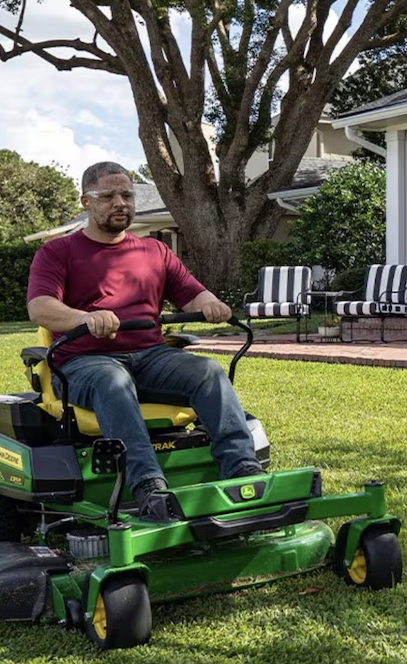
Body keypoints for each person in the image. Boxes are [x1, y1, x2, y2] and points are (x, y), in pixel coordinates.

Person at [26, 161, 264, 523]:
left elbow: (192, 293)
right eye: (108, 196)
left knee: (208, 372)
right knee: (113, 381)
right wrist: (85, 319)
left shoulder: (155, 252)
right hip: (84, 363)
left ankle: (243, 470)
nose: (120, 202)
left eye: (127, 195)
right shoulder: (58, 252)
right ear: (86, 202)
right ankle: (149, 487)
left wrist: (210, 305)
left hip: (150, 356)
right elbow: (40, 306)